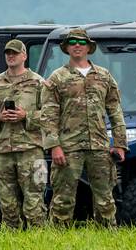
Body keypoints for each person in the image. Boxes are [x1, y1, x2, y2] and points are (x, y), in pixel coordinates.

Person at [41, 28, 128, 226]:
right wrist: (54, 146)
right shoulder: (57, 78)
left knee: (105, 199)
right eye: (72, 42)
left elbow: (115, 110)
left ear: (89, 47)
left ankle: (107, 239)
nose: (77, 45)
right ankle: (58, 242)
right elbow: (48, 115)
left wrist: (120, 144)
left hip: (99, 147)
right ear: (67, 48)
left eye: (81, 42)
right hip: (68, 147)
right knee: (63, 199)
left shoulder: (104, 76)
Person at [0, 39, 49, 230]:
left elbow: (51, 114)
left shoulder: (38, 82)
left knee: (34, 202)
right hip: (3, 151)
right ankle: (13, 241)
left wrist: (27, 116)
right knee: (7, 203)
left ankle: (39, 241)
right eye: (8, 53)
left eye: (15, 53)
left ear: (24, 56)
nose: (11, 56)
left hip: (31, 150)